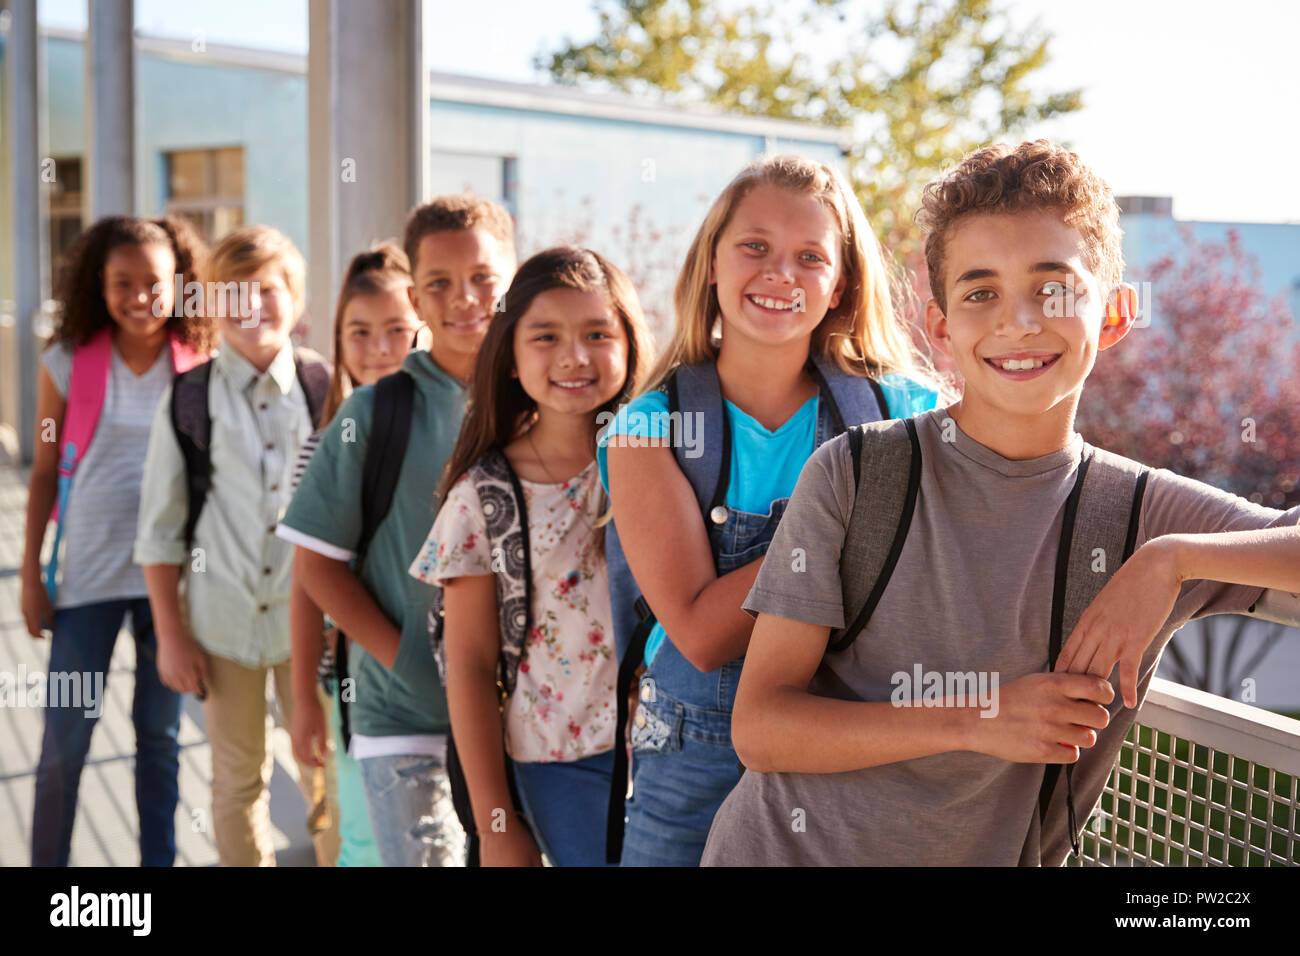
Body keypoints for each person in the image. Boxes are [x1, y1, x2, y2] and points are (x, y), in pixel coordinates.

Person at [700, 140, 1300, 866]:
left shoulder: (1146, 516)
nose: (1018, 320)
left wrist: (1172, 560)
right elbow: (761, 728)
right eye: (980, 292)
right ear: (942, 328)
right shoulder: (858, 475)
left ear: (1114, 314)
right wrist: (980, 718)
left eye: (1053, 288)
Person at [600, 154, 941, 866]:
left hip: (848, 744)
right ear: (713, 264)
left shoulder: (909, 413)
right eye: (755, 246)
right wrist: (848, 520)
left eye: (810, 256)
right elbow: (698, 631)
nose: (780, 273)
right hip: (693, 760)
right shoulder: (649, 428)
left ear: (840, 284)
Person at [278, 195, 517, 866]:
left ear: (513, 278)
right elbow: (317, 568)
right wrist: (412, 658)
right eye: (438, 283)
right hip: (403, 718)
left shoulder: (544, 398)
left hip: (519, 722)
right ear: (416, 297)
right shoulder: (371, 412)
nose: (463, 297)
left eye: (482, 278)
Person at [410, 247, 653, 866]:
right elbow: (467, 666)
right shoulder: (484, 496)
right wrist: (495, 825)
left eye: (598, 333)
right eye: (545, 336)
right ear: (511, 358)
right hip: (556, 760)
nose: (574, 356)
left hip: (669, 751)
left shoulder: (662, 462)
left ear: (629, 341)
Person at [135, 224, 337, 867]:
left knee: (324, 772)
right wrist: (171, 634)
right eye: (234, 294)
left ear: (296, 300)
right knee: (236, 778)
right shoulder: (189, 399)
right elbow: (160, 530)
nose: (252, 308)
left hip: (313, 621)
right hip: (222, 623)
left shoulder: (325, 388)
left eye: (268, 292)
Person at [23, 216, 213, 867]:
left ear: (180, 283)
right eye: (121, 283)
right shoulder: (68, 361)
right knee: (62, 746)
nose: (139, 296)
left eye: (153, 282)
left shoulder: (200, 364)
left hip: (173, 589)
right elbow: (45, 472)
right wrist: (30, 577)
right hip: (87, 582)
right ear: (98, 285)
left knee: (159, 742)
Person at [287, 243, 420, 867]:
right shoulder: (323, 444)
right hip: (353, 686)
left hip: (457, 677)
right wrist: (300, 701)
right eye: (359, 332)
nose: (379, 348)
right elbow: (306, 581)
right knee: (363, 841)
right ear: (337, 340)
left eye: (396, 329)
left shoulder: (460, 427)